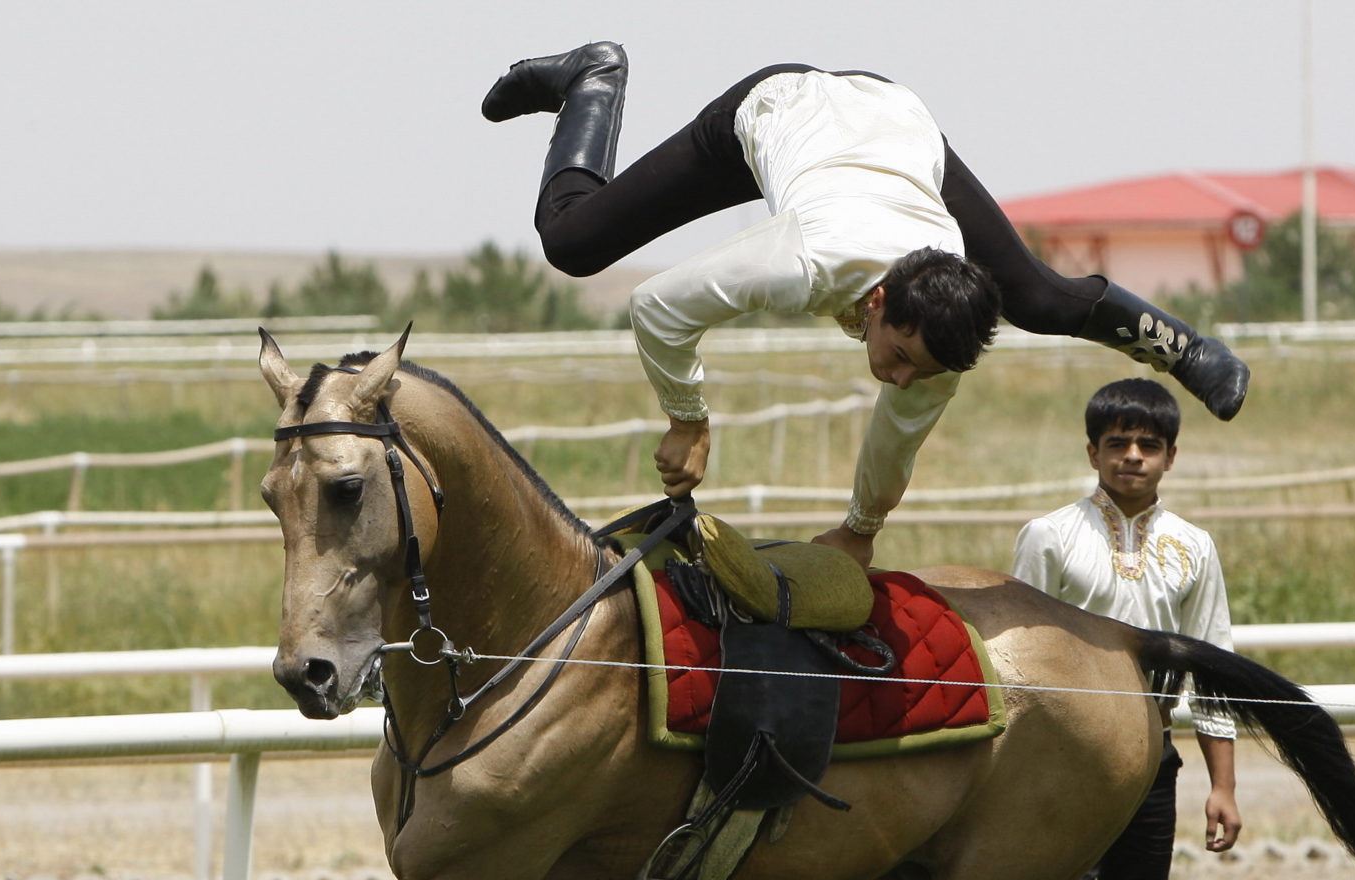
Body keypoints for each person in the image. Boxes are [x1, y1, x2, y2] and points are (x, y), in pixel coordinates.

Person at [483, 43, 1250, 567]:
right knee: (573, 244)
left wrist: (861, 530)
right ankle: (591, 78)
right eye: (900, 357)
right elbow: (657, 306)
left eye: (919, 371)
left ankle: (1189, 350)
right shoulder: (805, 261)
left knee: (1039, 299)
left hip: (897, 126)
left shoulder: (944, 331)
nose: (900, 379)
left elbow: (897, 437)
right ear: (878, 301)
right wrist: (688, 416)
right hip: (777, 111)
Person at [1010, 377, 1243, 880]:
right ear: (1092, 452)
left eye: (1149, 444)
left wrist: (1222, 785)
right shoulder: (1048, 538)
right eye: (1118, 443)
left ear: (1172, 456)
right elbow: (1016, 656)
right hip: (1059, 766)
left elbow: (1214, 664)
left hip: (1151, 759)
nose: (1132, 456)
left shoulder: (1194, 549)